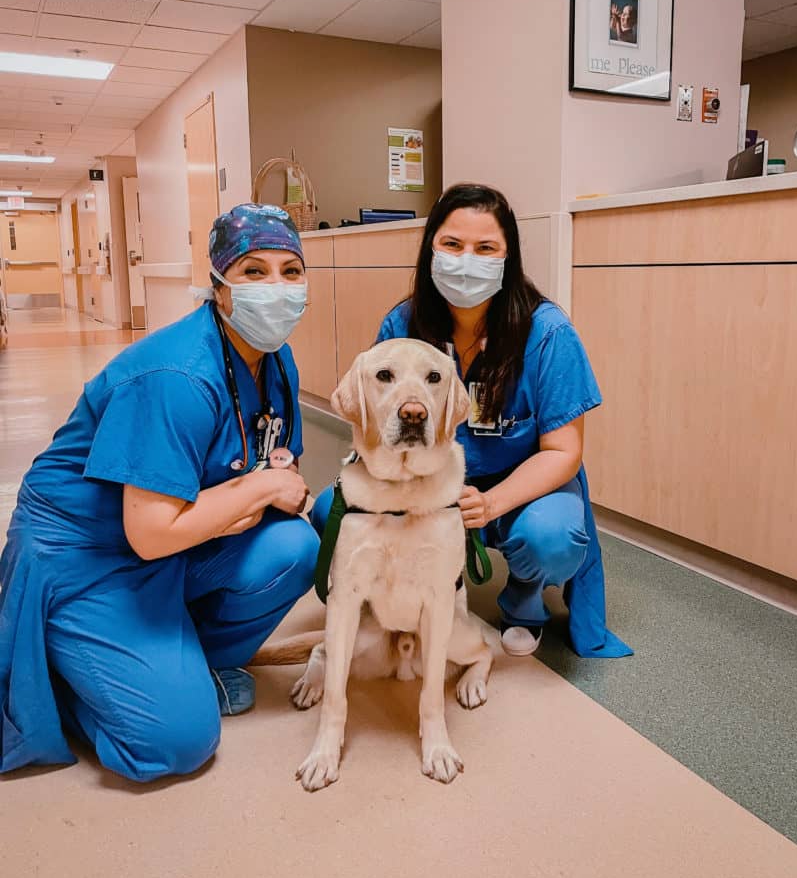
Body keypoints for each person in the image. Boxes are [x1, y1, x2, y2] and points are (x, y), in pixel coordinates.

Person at [0, 204, 319, 782]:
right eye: (253, 271)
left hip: (176, 530)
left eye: (290, 271)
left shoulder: (274, 360)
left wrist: (264, 476)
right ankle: (64, 675)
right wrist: (261, 484)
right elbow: (149, 534)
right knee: (178, 742)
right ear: (219, 286)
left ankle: (190, 661)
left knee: (294, 547)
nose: (276, 288)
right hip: (88, 552)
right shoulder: (177, 376)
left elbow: (267, 450)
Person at [313, 184, 631, 660]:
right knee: (329, 513)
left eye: (486, 249)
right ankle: (404, 591)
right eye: (452, 245)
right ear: (430, 250)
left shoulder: (548, 335)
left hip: (517, 486)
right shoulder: (402, 325)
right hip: (422, 479)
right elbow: (374, 425)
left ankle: (524, 599)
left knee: (553, 537)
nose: (467, 260)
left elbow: (564, 452)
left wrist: (491, 501)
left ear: (508, 257)